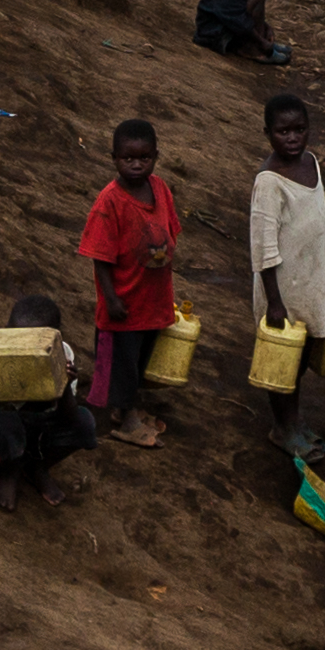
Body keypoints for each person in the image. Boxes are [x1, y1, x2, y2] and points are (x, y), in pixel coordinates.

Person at [80, 119, 182, 452]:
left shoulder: (161, 189)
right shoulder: (109, 203)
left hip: (152, 300)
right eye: (128, 159)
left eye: (145, 158)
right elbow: (100, 256)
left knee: (139, 360)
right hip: (123, 303)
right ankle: (123, 420)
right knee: (119, 364)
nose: (137, 164)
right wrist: (110, 298)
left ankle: (128, 408)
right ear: (114, 158)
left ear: (156, 156)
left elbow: (170, 232)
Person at [250, 92, 325, 459]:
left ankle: (293, 419)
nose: (292, 138)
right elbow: (263, 245)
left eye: (299, 130)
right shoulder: (269, 182)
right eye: (283, 131)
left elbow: (318, 216)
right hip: (283, 289)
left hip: (311, 279)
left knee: (300, 359)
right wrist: (274, 301)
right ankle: (282, 427)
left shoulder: (312, 163)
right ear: (268, 133)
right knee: (283, 361)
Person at [0, 294, 97, 511]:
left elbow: (69, 418)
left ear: (54, 338)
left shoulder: (62, 356)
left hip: (33, 428)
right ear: (7, 331)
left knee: (85, 422)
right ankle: (10, 471)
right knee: (7, 423)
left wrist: (63, 385)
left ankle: (37, 467)